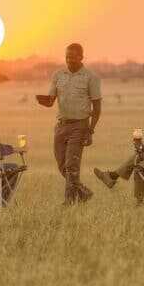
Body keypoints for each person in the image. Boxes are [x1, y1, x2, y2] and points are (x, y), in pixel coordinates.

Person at [36, 42, 102, 204]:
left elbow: (97, 108)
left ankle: (69, 201)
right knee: (62, 166)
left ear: (81, 57)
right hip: (61, 125)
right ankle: (83, 192)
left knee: (72, 165)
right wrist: (44, 101)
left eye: (72, 57)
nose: (69, 60)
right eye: (67, 57)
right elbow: (51, 100)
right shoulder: (58, 75)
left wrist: (90, 131)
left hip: (80, 125)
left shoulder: (91, 77)